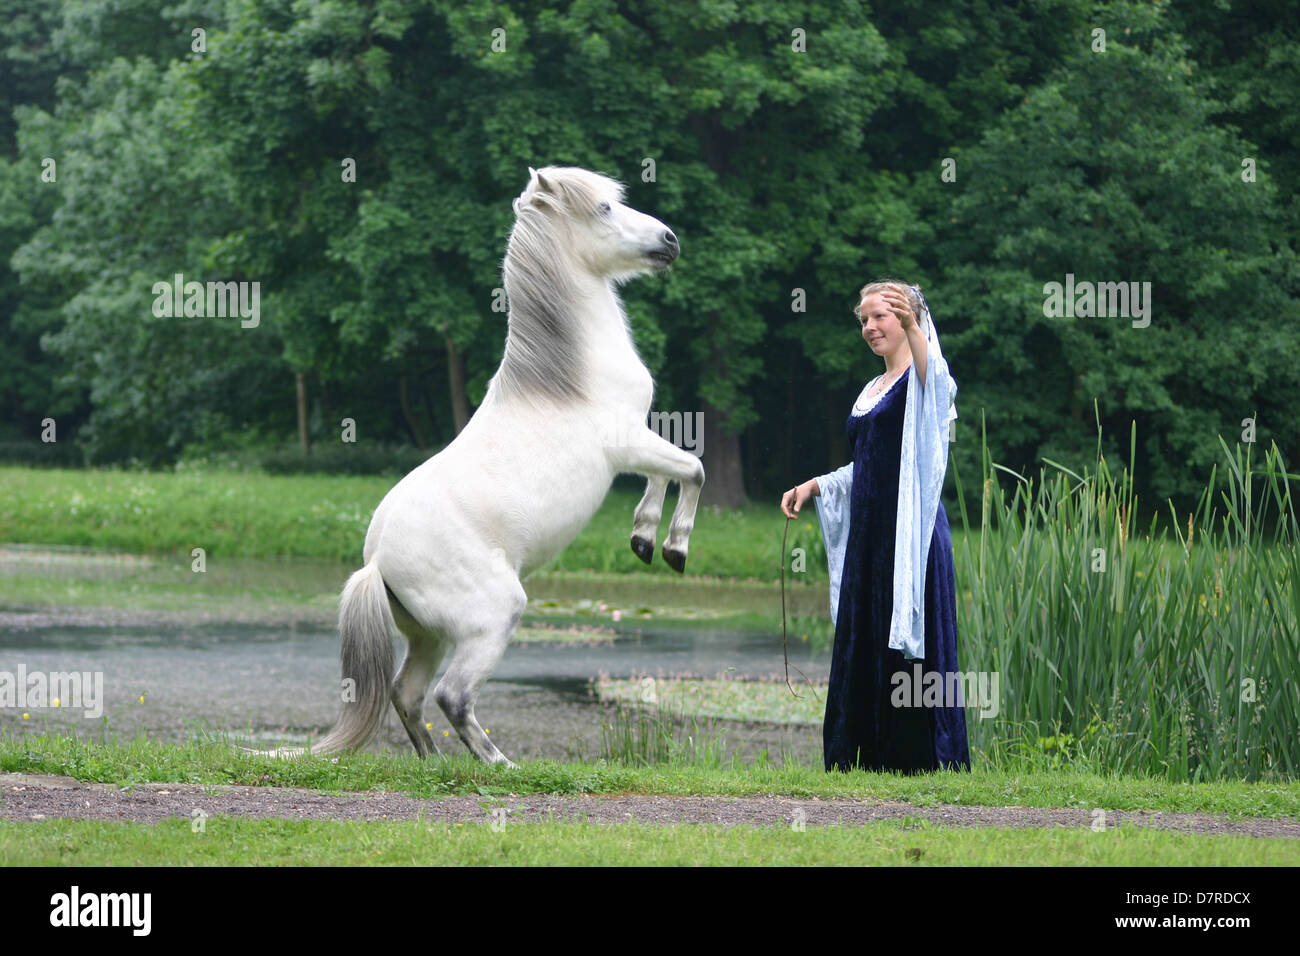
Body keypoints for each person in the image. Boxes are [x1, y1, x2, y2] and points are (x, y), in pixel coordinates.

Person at [781, 280, 971, 774]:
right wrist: (817, 485)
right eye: (862, 320)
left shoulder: (925, 382)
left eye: (879, 317)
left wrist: (913, 326)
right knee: (864, 642)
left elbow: (940, 386)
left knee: (909, 646)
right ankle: (858, 758)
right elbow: (868, 466)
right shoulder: (872, 390)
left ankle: (918, 761)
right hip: (869, 544)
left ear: (908, 318)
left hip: (911, 539)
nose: (868, 328)